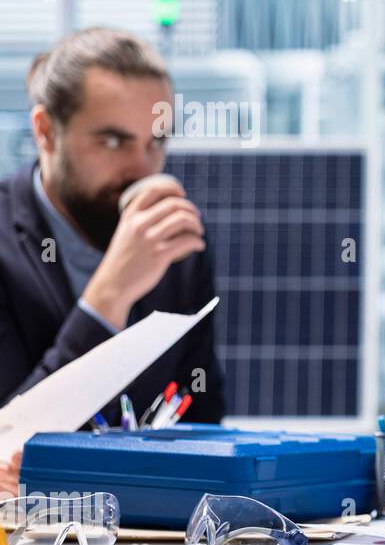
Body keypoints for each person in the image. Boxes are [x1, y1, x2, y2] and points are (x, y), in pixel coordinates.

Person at [0, 28, 226, 480]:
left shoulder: (176, 250)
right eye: (113, 142)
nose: (142, 170)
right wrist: (108, 298)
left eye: (156, 142)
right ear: (45, 131)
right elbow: (7, 441)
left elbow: (203, 425)